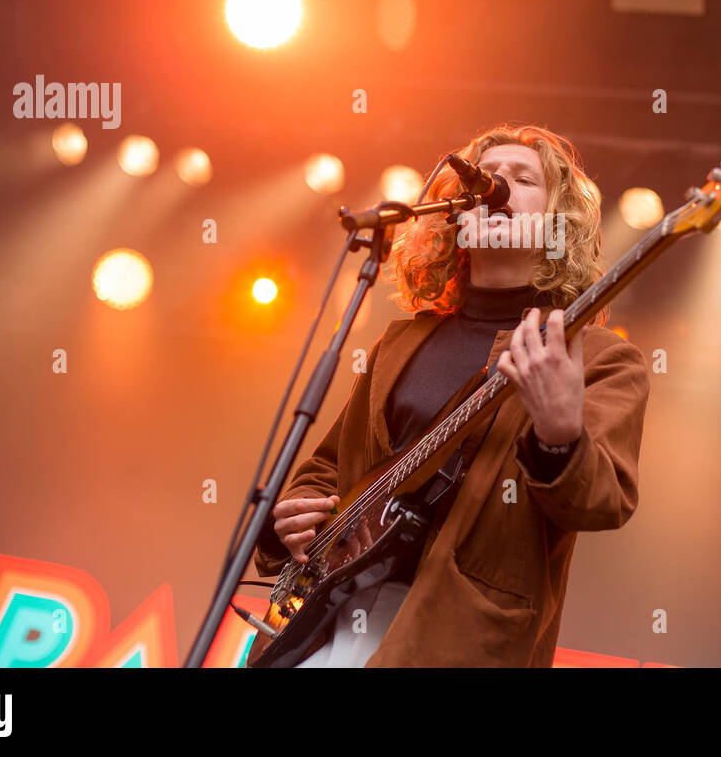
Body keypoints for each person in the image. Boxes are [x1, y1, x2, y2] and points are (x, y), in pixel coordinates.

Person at [252, 125, 650, 666]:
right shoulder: (403, 340)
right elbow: (329, 467)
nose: (497, 185)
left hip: (456, 635)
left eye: (522, 178)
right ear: (458, 214)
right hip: (326, 621)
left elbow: (603, 500)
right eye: (489, 175)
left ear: (560, 223)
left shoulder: (598, 356)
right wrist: (294, 518)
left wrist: (559, 438)